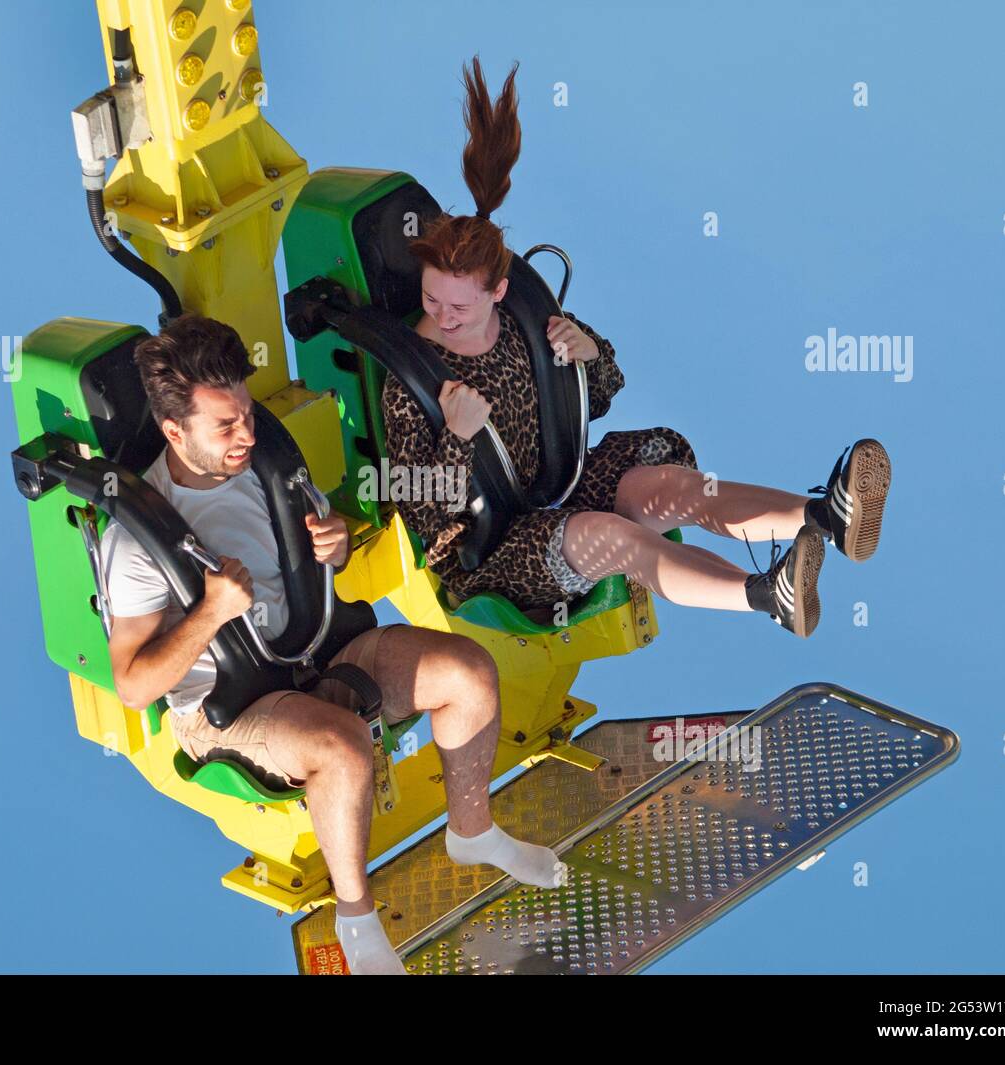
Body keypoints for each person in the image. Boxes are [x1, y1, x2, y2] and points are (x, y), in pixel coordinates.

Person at [101, 314, 567, 975]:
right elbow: (134, 684)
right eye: (225, 426)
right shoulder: (137, 536)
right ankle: (358, 924)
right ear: (175, 432)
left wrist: (338, 541)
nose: (246, 434)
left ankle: (472, 831)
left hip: (319, 652)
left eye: (245, 414)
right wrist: (208, 614)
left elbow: (325, 552)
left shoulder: (267, 462)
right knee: (343, 744)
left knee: (469, 672)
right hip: (231, 705)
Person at [380, 58, 892, 639]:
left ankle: (825, 515)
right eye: (432, 300)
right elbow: (418, 515)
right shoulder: (413, 380)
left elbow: (599, 397)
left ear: (499, 292)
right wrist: (455, 436)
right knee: (617, 537)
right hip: (489, 546)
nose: (443, 317)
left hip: (559, 487)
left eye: (460, 306)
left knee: (675, 488)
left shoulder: (527, 322)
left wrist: (588, 354)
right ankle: (764, 596)